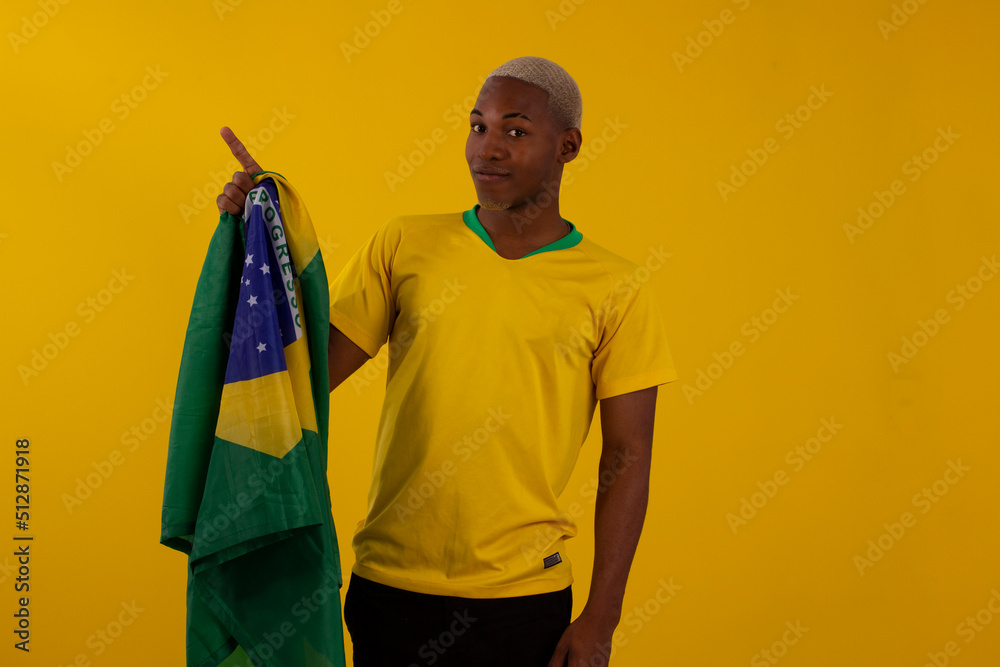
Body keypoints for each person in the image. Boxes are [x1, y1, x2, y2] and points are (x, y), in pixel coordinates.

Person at [216, 56, 677, 667]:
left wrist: (602, 617)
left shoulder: (616, 287)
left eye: (515, 130)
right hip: (390, 587)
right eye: (478, 126)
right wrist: (258, 234)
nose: (488, 148)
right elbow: (303, 378)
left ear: (568, 146)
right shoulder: (405, 243)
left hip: (524, 599)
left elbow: (628, 456)